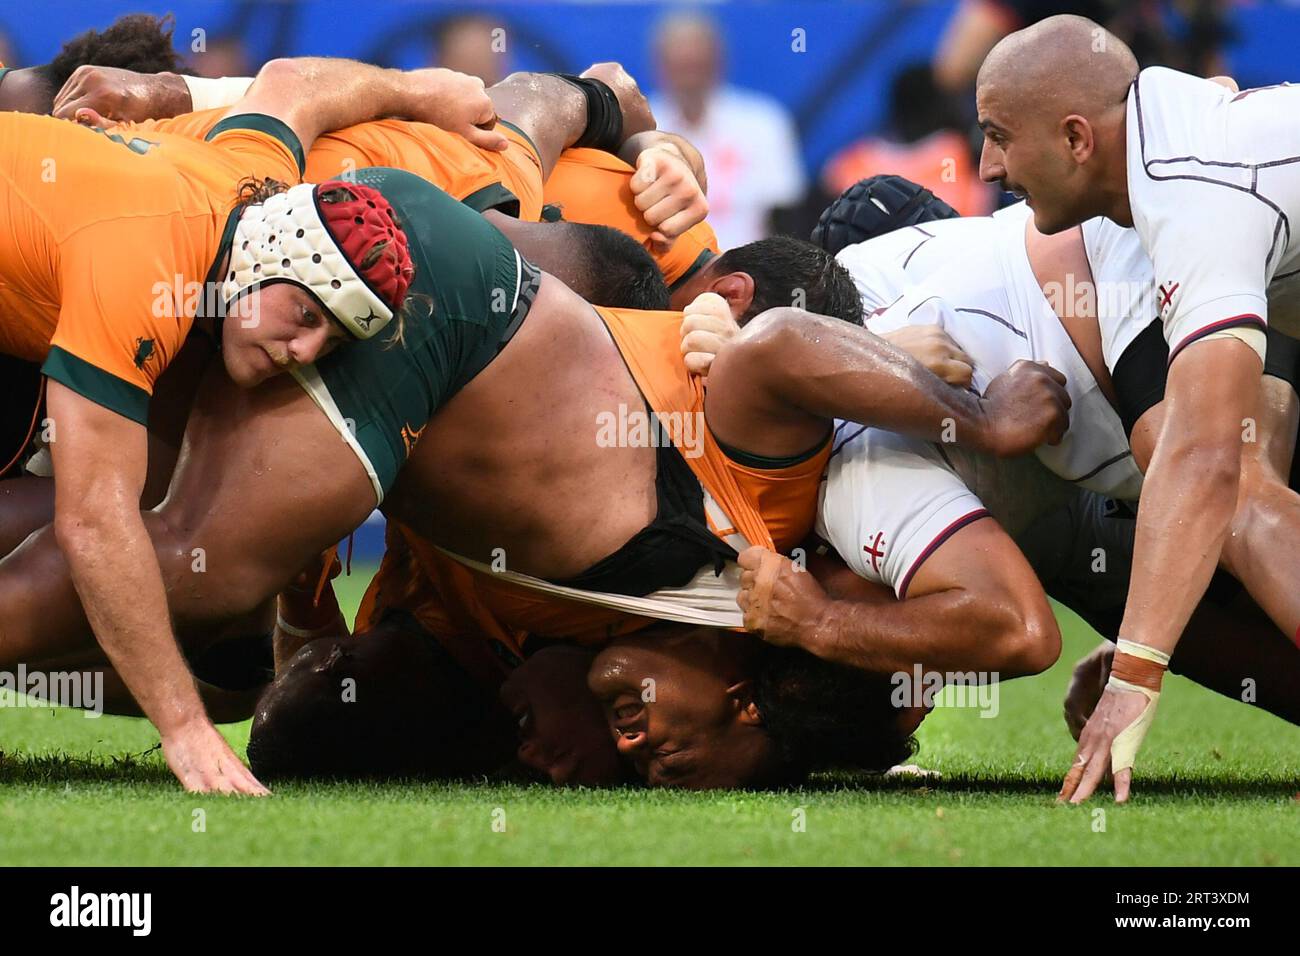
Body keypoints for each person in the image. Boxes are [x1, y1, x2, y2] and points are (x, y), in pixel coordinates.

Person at [0, 55, 504, 795]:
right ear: (266, 260)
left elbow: (294, 83)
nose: (301, 352)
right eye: (303, 315)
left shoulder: (252, 179)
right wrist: (185, 730)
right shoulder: (146, 272)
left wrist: (423, 88)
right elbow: (94, 525)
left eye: (328, 341)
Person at [975, 13, 1300, 802]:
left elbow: (1205, 456)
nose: (986, 167)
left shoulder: (1192, 193)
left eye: (998, 136)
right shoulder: (1171, 130)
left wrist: (1137, 670)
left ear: (1078, 139)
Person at [649, 11, 804, 249]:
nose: (690, 78)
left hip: (752, 268)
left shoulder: (763, 123)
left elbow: (785, 213)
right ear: (660, 68)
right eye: (681, 66)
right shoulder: (643, 125)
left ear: (718, 62)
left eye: (697, 65)